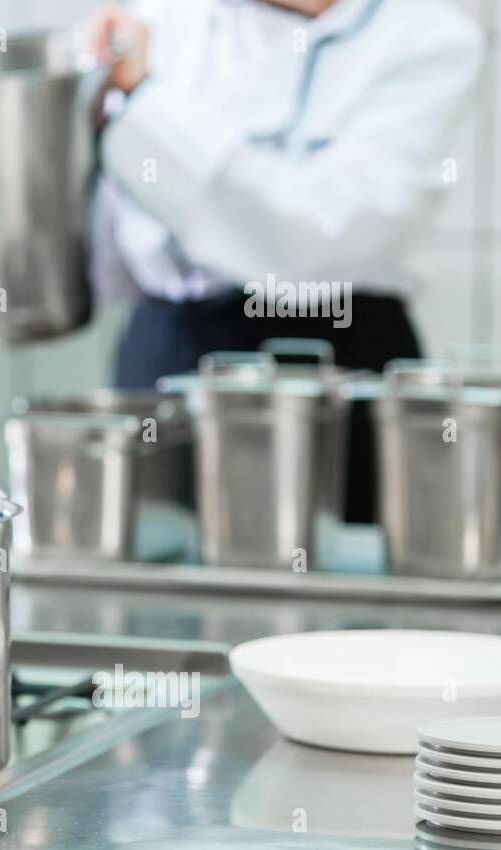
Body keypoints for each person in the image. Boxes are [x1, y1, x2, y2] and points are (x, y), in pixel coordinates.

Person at [85, 0, 483, 520]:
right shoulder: (160, 18)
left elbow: (311, 238)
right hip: (168, 360)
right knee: (152, 581)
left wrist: (143, 95)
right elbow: (105, 243)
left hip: (341, 368)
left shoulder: (430, 38)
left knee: (344, 587)